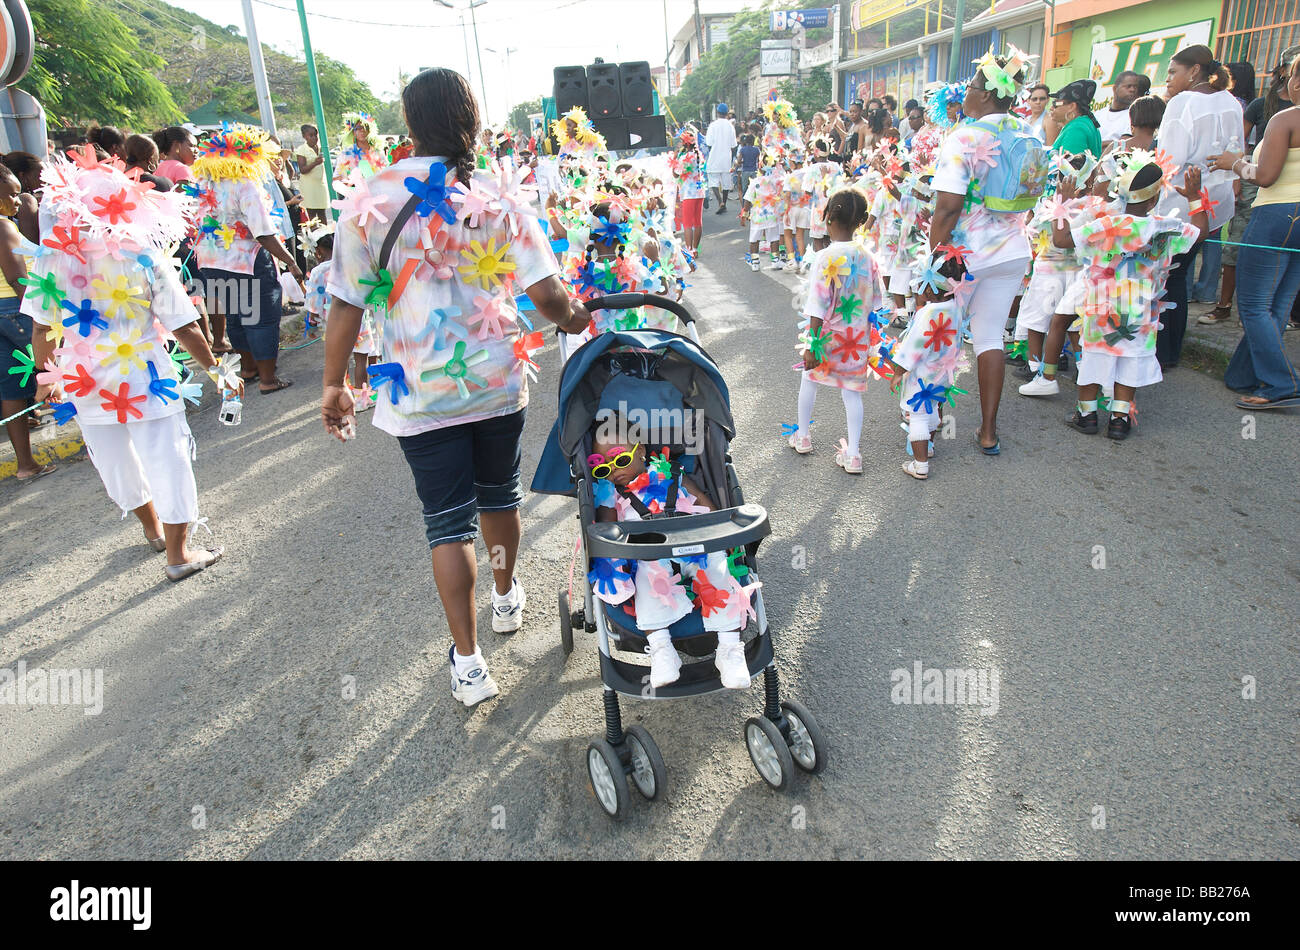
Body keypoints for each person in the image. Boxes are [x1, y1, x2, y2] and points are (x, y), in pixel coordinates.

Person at [320, 67, 591, 707]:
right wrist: (580, 318)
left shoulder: (373, 199)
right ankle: (505, 595)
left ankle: (468, 663)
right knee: (499, 498)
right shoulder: (499, 195)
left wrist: (333, 383)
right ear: (470, 120)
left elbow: (345, 305)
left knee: (447, 524)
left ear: (409, 123)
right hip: (496, 380)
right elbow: (547, 295)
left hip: (418, 390)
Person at [26, 146, 232, 578]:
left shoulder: (55, 256)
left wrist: (47, 382)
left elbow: (42, 328)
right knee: (168, 459)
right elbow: (184, 325)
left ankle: (154, 532)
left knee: (115, 463)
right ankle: (178, 555)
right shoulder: (142, 253)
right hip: (144, 378)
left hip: (85, 381)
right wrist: (217, 370)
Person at [926, 49, 1040, 455]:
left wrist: (933, 260)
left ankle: (929, 423)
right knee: (990, 337)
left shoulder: (965, 136)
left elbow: (948, 206)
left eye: (972, 87)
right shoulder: (1029, 133)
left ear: (988, 95)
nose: (967, 94)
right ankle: (988, 432)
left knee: (943, 332)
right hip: (1013, 250)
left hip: (965, 254)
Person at [1053, 156, 1207, 439]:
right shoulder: (1164, 227)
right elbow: (1200, 233)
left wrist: (1061, 204)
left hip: (1102, 311)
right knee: (1130, 362)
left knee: (1094, 359)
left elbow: (1061, 240)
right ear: (1154, 199)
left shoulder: (1107, 225)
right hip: (1142, 313)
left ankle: (1086, 415)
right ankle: (1119, 420)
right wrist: (1195, 197)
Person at [588, 431, 749, 688]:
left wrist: (720, 534)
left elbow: (707, 507)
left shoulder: (672, 473)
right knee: (647, 579)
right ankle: (662, 650)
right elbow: (606, 533)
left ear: (641, 450)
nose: (613, 470)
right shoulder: (611, 494)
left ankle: (729, 650)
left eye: (620, 460)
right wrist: (605, 500)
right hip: (648, 555)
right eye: (602, 466)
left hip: (695, 546)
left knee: (718, 570)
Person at [1210, 53, 1300, 409]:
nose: (1295, 83)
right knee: (1276, 304)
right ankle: (1246, 374)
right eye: (1294, 75)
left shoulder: (1285, 119)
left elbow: (1264, 177)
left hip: (1277, 213)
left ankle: (1282, 384)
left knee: (1253, 304)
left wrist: (1234, 163)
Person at [192, 125, 303, 394]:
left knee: (237, 317)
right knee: (262, 319)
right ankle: (268, 379)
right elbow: (263, 232)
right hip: (247, 262)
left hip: (211, 262)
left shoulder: (203, 185)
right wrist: (291, 261)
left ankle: (249, 369)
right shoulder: (244, 185)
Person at [1153, 44, 1241, 369]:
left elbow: (1169, 160)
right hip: (1215, 203)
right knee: (1179, 275)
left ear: (1193, 71)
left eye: (1173, 72)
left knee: (1167, 277)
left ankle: (1163, 353)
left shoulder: (1182, 102)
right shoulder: (1231, 101)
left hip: (1180, 200)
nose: (1169, 80)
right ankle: (1171, 351)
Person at [789, 187, 886, 475]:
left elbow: (817, 306)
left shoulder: (825, 256)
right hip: (855, 339)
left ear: (827, 217)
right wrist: (872, 341)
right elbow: (876, 302)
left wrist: (812, 345)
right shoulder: (868, 256)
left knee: (809, 379)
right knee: (852, 394)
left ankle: (803, 436)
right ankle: (853, 454)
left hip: (827, 337)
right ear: (860, 221)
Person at [1202, 61, 1268, 325]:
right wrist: (1237, 176)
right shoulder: (1260, 104)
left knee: (1263, 251)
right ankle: (1224, 304)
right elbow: (1238, 143)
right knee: (1234, 244)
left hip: (1270, 189)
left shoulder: (1235, 104)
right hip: (1246, 177)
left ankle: (1256, 311)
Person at [0, 164, 51, 481]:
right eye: (13, 194)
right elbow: (18, 279)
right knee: (56, 368)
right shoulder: (3, 226)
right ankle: (99, 440)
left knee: (9, 389)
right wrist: (41, 316)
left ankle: (25, 465)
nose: (19, 201)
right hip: (15, 310)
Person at [1049, 80, 1104, 160]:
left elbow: (1071, 169)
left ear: (1072, 106)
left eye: (1055, 104)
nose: (1051, 108)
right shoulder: (1085, 123)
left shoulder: (1076, 130)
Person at [1, 151, 43, 243]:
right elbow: (30, 249)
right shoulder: (26, 200)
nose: (44, 180)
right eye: (40, 175)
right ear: (22, 175)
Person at [293, 125, 329, 225]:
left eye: (316, 135)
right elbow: (302, 169)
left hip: (320, 184)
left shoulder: (321, 148)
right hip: (309, 186)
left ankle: (326, 236)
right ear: (305, 136)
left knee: (322, 212)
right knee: (312, 214)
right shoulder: (302, 149)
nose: (314, 138)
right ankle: (316, 237)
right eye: (311, 135)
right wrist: (315, 163)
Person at [705, 103, 737, 214]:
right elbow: (733, 145)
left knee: (713, 182)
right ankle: (724, 202)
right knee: (726, 183)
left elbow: (708, 142)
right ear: (727, 114)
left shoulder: (712, 126)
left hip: (714, 158)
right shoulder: (730, 126)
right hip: (726, 159)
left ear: (718, 113)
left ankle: (720, 202)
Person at [1096, 71, 1144, 143]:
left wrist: (1096, 145)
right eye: (1128, 86)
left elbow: (1122, 146)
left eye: (1135, 87)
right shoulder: (1098, 115)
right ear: (1115, 89)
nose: (1132, 90)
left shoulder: (1135, 116)